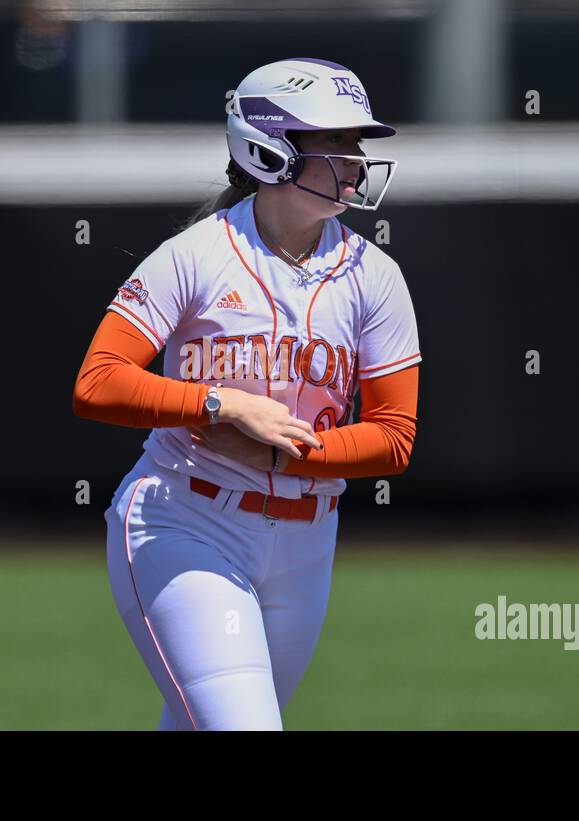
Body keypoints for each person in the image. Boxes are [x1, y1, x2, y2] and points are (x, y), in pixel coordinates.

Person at [72, 57, 420, 730]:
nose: (353, 160)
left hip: (307, 544)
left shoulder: (374, 276)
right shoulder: (197, 254)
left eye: (357, 144)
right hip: (184, 521)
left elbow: (394, 436)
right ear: (268, 149)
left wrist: (280, 458)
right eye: (335, 143)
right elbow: (98, 380)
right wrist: (217, 403)